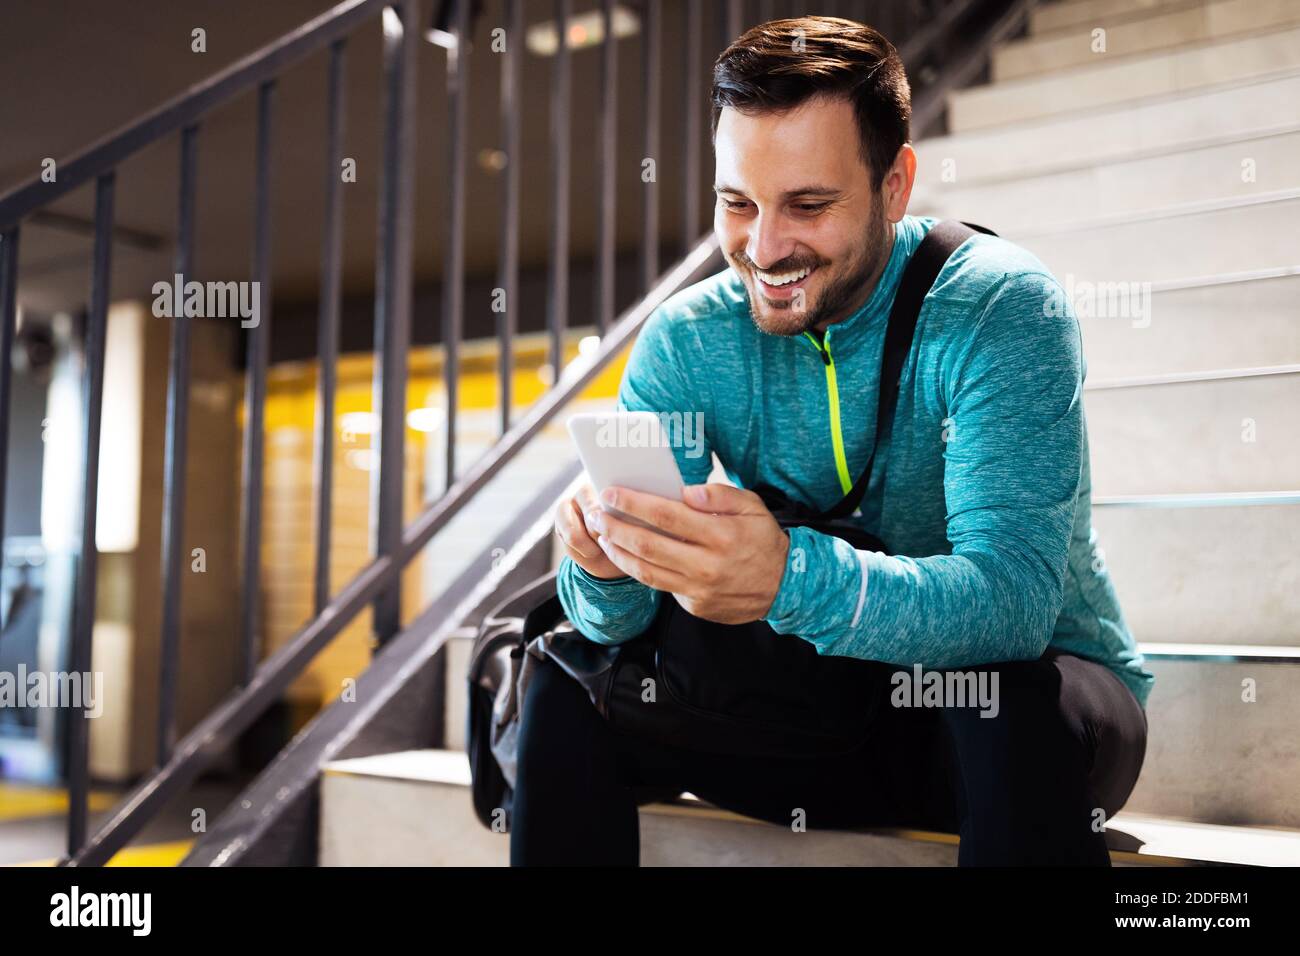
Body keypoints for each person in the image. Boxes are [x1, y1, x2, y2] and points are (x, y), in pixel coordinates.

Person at [517, 16, 1153, 867]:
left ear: (894, 187)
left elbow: (1010, 607)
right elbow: (614, 622)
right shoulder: (685, 340)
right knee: (564, 667)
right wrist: (601, 566)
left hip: (1028, 722)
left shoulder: (1000, 308)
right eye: (737, 204)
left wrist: (782, 575)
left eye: (809, 205)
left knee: (994, 686)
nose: (765, 248)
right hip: (825, 716)